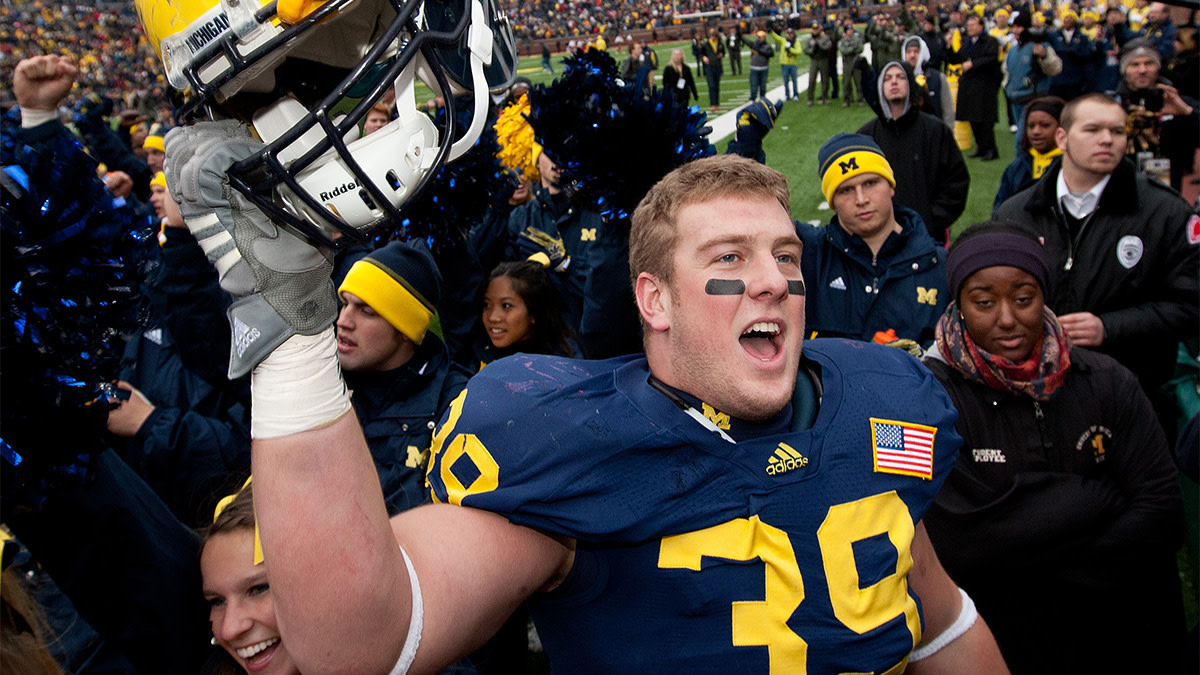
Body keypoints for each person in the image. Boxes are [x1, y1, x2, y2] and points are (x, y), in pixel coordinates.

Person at [175, 147, 1011, 672]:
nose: (772, 279)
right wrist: (289, 345)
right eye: (730, 256)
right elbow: (355, 646)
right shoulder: (565, 446)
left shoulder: (875, 401)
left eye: (785, 254)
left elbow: (941, 620)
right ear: (654, 297)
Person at [922, 222, 1185, 674]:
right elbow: (959, 543)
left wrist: (1030, 545)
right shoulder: (932, 400)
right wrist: (1095, 498)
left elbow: (1161, 511)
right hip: (1004, 642)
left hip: (1117, 631)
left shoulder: (1105, 381)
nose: (1007, 318)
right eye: (984, 302)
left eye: (1023, 298)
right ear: (959, 305)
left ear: (1044, 297)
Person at [993, 93, 1199, 429]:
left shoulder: (1166, 213)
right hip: (1034, 400)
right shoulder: (1017, 213)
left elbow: (1189, 306)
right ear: (1062, 138)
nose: (1107, 140)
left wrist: (1109, 327)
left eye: (1117, 132)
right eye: (1093, 130)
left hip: (1133, 399)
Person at [334, 241, 473, 515]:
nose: (343, 321)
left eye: (367, 311)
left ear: (405, 330)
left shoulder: (456, 405)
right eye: (345, 304)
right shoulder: (321, 382)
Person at [798, 133, 949, 349]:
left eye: (870, 183)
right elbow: (748, 217)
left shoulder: (939, 266)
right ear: (833, 201)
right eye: (846, 190)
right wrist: (748, 146)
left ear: (890, 185)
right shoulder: (810, 253)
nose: (861, 199)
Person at [858, 63, 969, 246]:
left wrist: (930, 220)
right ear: (880, 87)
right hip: (879, 241)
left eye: (900, 77)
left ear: (910, 83)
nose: (894, 82)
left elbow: (956, 183)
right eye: (887, 78)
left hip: (928, 237)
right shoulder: (866, 136)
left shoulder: (936, 131)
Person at [1113, 38, 1199, 191]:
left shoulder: (1176, 101)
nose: (1142, 70)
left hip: (1168, 191)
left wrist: (1187, 112)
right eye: (1135, 64)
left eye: (1149, 63)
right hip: (1122, 189)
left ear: (1158, 67)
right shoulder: (1112, 104)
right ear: (1124, 69)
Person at [468, 260, 576, 369]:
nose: (493, 317)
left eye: (506, 306)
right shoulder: (476, 353)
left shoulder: (557, 368)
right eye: (487, 305)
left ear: (533, 312)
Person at [1002, 10, 1062, 151]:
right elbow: (1006, 71)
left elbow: (1055, 68)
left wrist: (1043, 56)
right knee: (1024, 140)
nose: (1015, 30)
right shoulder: (1012, 50)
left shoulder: (1040, 47)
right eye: (1014, 27)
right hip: (1015, 100)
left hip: (1032, 100)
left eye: (1019, 27)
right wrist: (1007, 87)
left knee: (1022, 141)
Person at [992, 96, 1064, 212]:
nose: (1036, 132)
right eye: (1031, 126)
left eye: (1045, 125)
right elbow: (1000, 208)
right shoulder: (1017, 167)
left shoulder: (1071, 167)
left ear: (1062, 129)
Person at [948, 14, 1003, 160]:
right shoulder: (966, 43)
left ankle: (991, 149)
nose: (970, 27)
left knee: (985, 120)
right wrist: (948, 46)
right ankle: (981, 147)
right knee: (973, 119)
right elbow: (955, 59)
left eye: (973, 24)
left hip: (984, 86)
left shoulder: (990, 41)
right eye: (969, 25)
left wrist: (973, 64)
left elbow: (992, 59)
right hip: (968, 87)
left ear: (981, 26)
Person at [902, 35, 954, 127]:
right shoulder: (901, 79)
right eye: (908, 52)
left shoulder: (938, 78)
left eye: (916, 51)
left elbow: (948, 111)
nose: (912, 55)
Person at [803, 22, 833, 105]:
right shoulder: (809, 39)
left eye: (816, 29)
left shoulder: (824, 38)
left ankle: (825, 97)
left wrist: (820, 46)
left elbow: (829, 46)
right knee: (811, 80)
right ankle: (810, 98)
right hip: (814, 60)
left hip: (823, 59)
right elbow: (805, 50)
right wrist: (812, 50)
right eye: (813, 29)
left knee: (825, 80)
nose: (814, 31)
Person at [771, 26, 803, 101]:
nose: (789, 35)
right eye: (788, 33)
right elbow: (776, 37)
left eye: (791, 33)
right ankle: (787, 95)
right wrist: (771, 32)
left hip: (792, 64)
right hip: (784, 64)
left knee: (794, 80)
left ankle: (795, 94)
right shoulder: (783, 41)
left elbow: (799, 51)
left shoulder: (796, 42)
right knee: (785, 81)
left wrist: (790, 49)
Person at [698, 26, 726, 112]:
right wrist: (704, 58)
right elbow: (700, 54)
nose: (713, 38)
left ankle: (717, 104)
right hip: (709, 67)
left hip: (717, 66)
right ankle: (712, 104)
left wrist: (721, 54)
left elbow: (723, 52)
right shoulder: (706, 44)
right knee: (711, 86)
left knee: (717, 86)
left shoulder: (720, 43)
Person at [839, 24, 865, 107]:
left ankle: (860, 99)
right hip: (847, 63)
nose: (850, 31)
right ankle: (846, 100)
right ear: (845, 32)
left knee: (858, 82)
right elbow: (843, 51)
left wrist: (850, 49)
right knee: (846, 83)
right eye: (849, 30)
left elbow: (861, 49)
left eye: (851, 30)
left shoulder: (857, 39)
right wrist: (853, 48)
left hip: (856, 62)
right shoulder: (843, 41)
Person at [747, 30, 775, 101]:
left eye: (761, 37)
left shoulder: (767, 46)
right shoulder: (754, 45)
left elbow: (771, 54)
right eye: (758, 37)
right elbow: (747, 42)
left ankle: (762, 98)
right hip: (754, 68)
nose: (759, 39)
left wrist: (760, 51)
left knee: (763, 85)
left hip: (763, 68)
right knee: (753, 85)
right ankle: (752, 98)